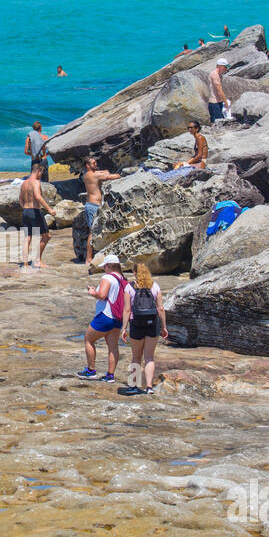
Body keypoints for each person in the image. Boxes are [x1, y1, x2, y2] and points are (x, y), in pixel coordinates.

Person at [120, 261, 168, 395]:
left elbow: (127, 310)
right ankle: (149, 387)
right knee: (149, 357)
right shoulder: (155, 286)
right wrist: (164, 326)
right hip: (153, 324)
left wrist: (123, 328)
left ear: (135, 273)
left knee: (136, 357)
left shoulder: (130, 287)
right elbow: (161, 308)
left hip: (136, 324)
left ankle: (133, 385)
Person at [78, 254, 127, 383]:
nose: (104, 269)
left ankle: (91, 370)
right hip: (118, 317)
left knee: (88, 339)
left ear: (110, 266)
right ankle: (110, 375)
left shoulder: (107, 277)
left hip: (106, 315)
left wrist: (92, 292)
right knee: (113, 346)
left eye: (105, 266)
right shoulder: (122, 279)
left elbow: (102, 295)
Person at [81, 157, 121, 265]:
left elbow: (102, 173)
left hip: (94, 205)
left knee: (98, 230)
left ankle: (96, 256)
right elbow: (113, 176)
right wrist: (115, 174)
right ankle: (88, 258)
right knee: (92, 232)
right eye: (93, 163)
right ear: (87, 165)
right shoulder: (93, 175)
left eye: (96, 162)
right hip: (93, 206)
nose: (96, 164)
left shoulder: (87, 174)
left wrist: (104, 172)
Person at [19, 161, 56, 269]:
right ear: (38, 170)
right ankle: (37, 261)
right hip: (35, 211)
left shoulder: (24, 183)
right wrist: (49, 209)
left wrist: (26, 208)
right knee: (46, 236)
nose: (42, 174)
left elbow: (20, 199)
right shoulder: (35, 182)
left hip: (25, 211)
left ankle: (25, 264)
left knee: (27, 238)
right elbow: (38, 196)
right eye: (42, 172)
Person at [206, 58, 230, 123]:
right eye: (225, 67)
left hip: (219, 102)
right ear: (220, 66)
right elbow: (219, 90)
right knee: (218, 123)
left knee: (221, 122)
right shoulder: (214, 75)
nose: (226, 69)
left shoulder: (219, 75)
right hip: (214, 103)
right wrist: (226, 103)